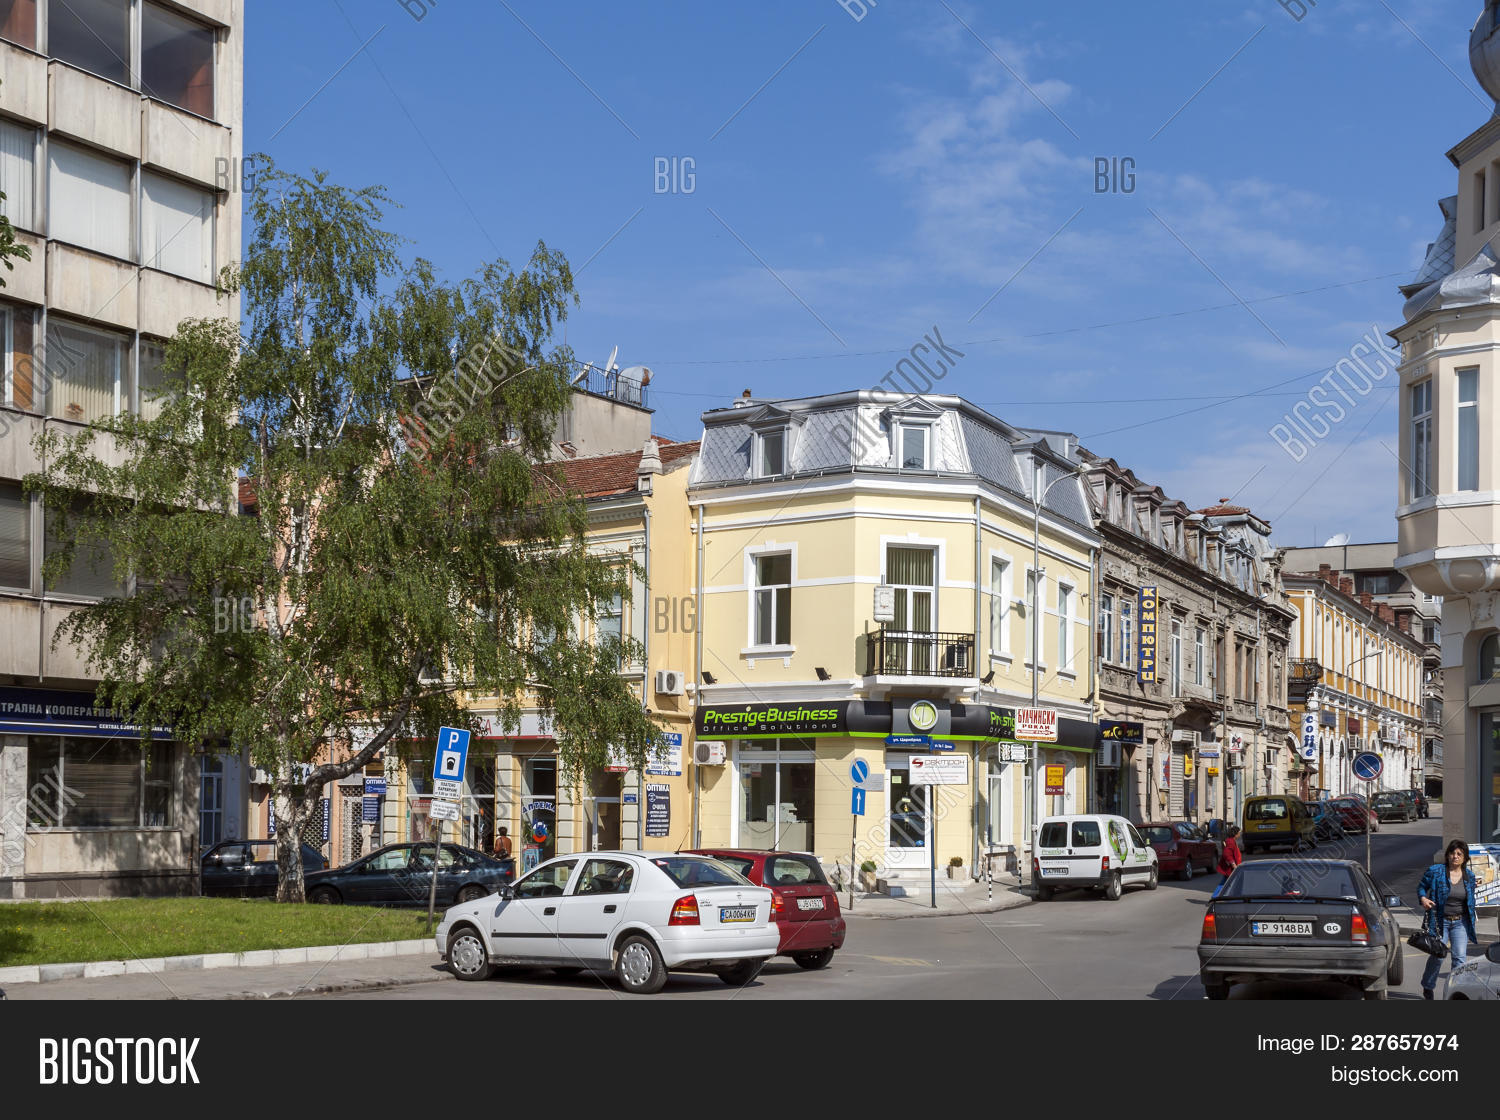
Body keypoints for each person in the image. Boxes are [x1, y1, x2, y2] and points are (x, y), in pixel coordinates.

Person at [1418, 839, 1480, 1000]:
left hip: (1460, 922)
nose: (1455, 856)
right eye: (1452, 853)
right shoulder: (1436, 871)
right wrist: (1423, 899)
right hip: (1440, 922)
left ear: (1465, 857)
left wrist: (1473, 914)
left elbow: (1470, 899)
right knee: (1438, 956)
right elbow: (1422, 887)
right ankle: (1428, 985)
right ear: (1447, 855)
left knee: (1459, 958)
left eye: (1459, 854)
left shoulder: (1469, 876)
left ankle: (1455, 992)